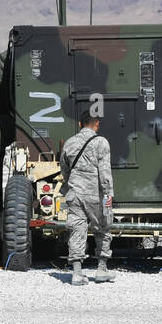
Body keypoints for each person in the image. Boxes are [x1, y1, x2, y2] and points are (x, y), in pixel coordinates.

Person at [60, 108, 115, 285]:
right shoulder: (101, 143)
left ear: (79, 124)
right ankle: (101, 269)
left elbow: (64, 169)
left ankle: (77, 273)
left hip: (75, 194)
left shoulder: (69, 143)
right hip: (96, 195)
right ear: (97, 125)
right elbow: (105, 172)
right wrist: (108, 194)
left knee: (77, 230)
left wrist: (72, 184)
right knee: (103, 229)